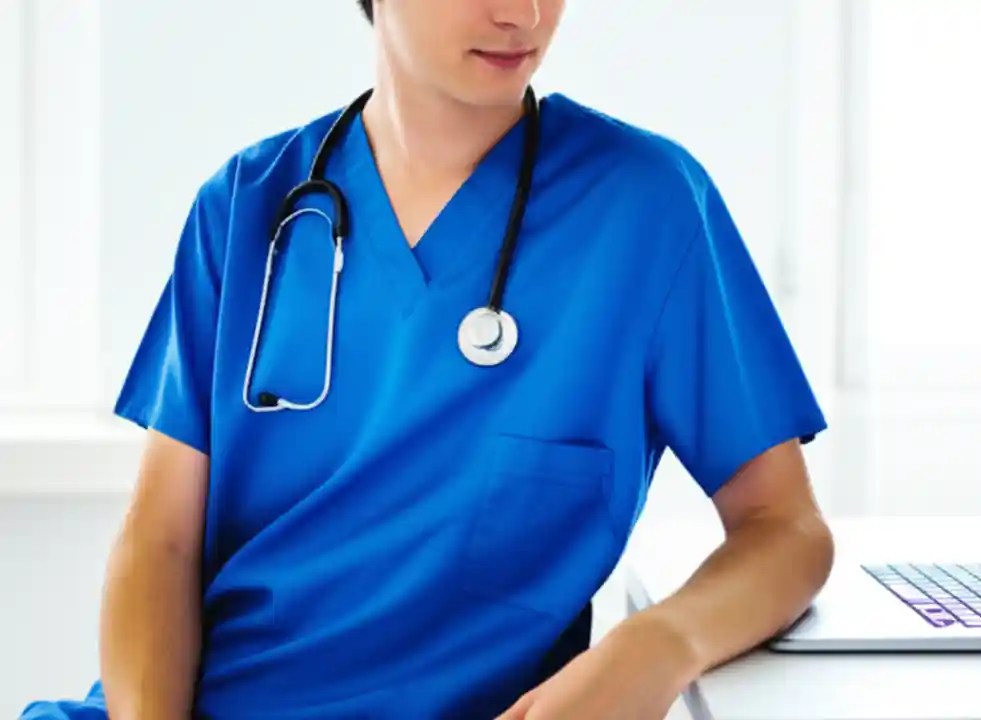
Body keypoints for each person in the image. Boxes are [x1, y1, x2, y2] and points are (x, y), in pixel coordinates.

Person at [20, 0, 834, 717]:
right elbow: (159, 542)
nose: (524, 14)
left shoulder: (645, 211)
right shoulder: (244, 208)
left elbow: (785, 529)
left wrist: (657, 645)